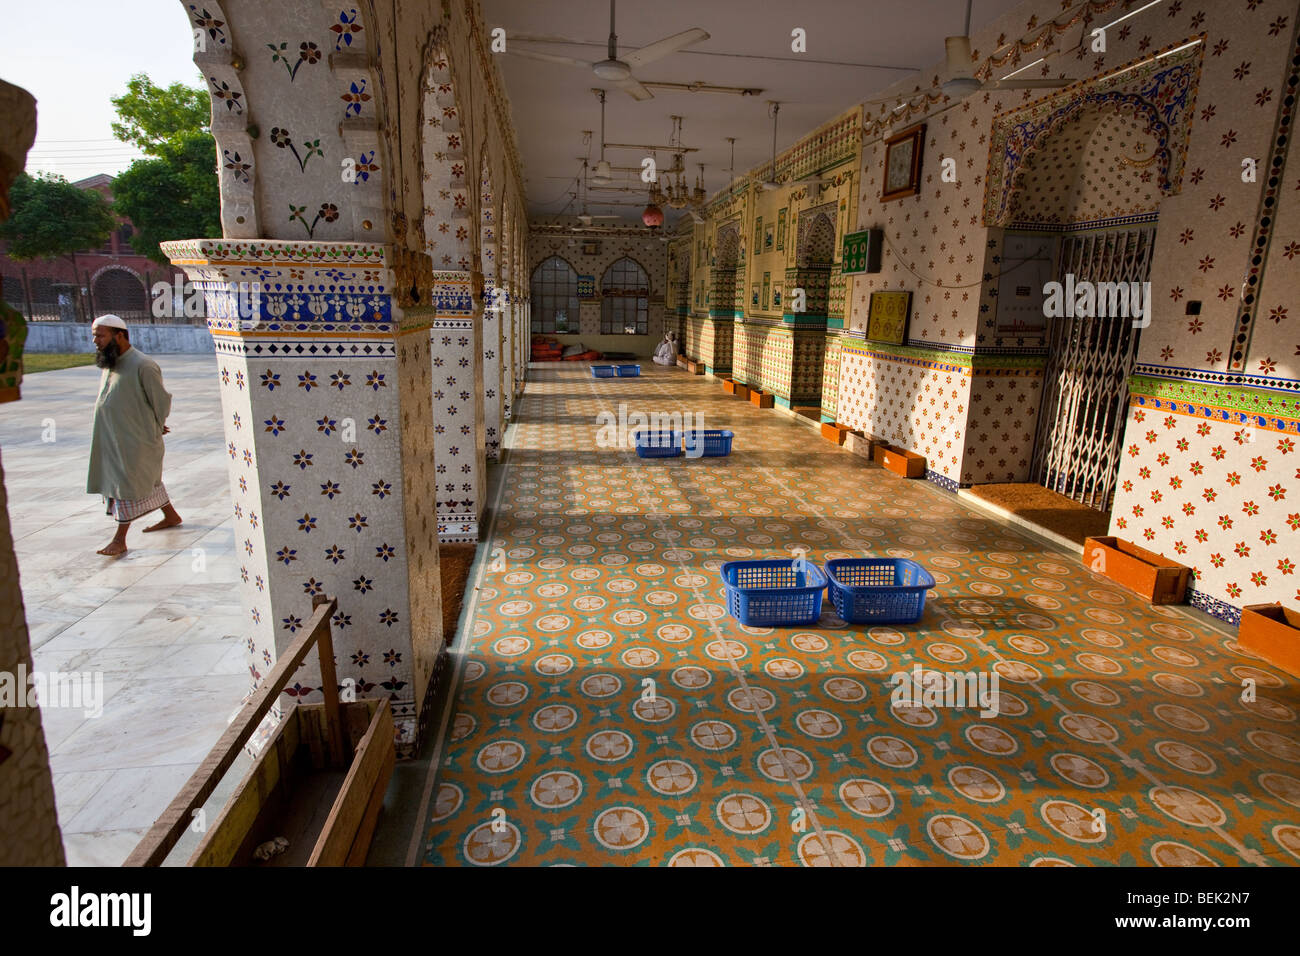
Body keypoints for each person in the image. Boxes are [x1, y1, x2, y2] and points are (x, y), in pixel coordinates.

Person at [87, 314, 182, 556]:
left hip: (135, 441)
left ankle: (119, 540)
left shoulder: (143, 365)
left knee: (125, 486)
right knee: (148, 482)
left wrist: (158, 424)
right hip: (112, 438)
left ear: (119, 335)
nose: (95, 340)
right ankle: (171, 516)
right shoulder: (112, 362)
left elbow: (161, 401)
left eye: (100, 335)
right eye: (94, 335)